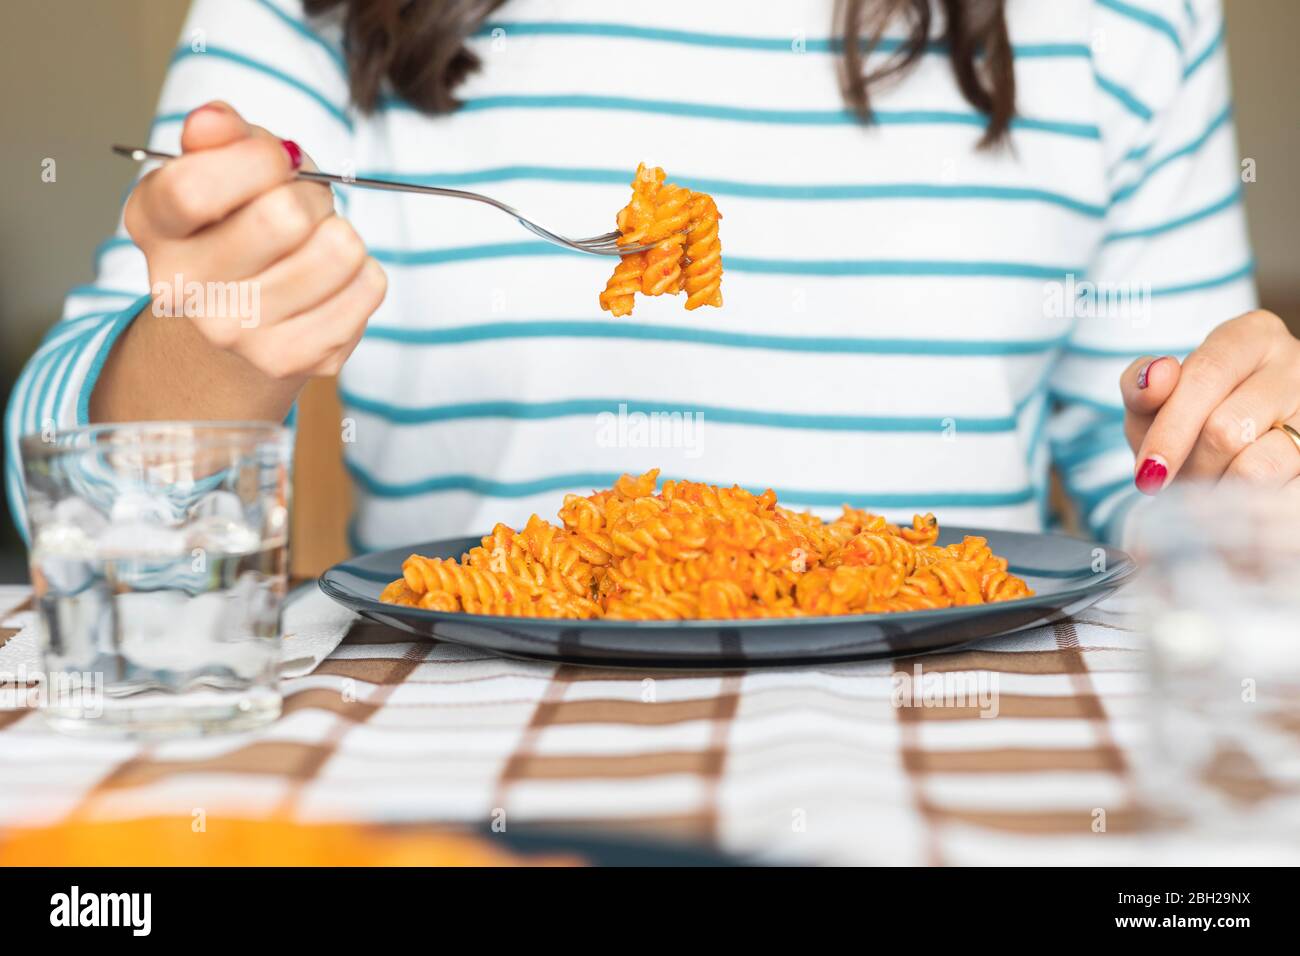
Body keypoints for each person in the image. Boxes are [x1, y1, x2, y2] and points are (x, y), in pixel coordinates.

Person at [7, 0, 1298, 551]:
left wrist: (1249, 459)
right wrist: (221, 332)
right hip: (467, 791)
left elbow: (1174, 498)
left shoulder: (1128, 19)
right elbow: (70, 501)